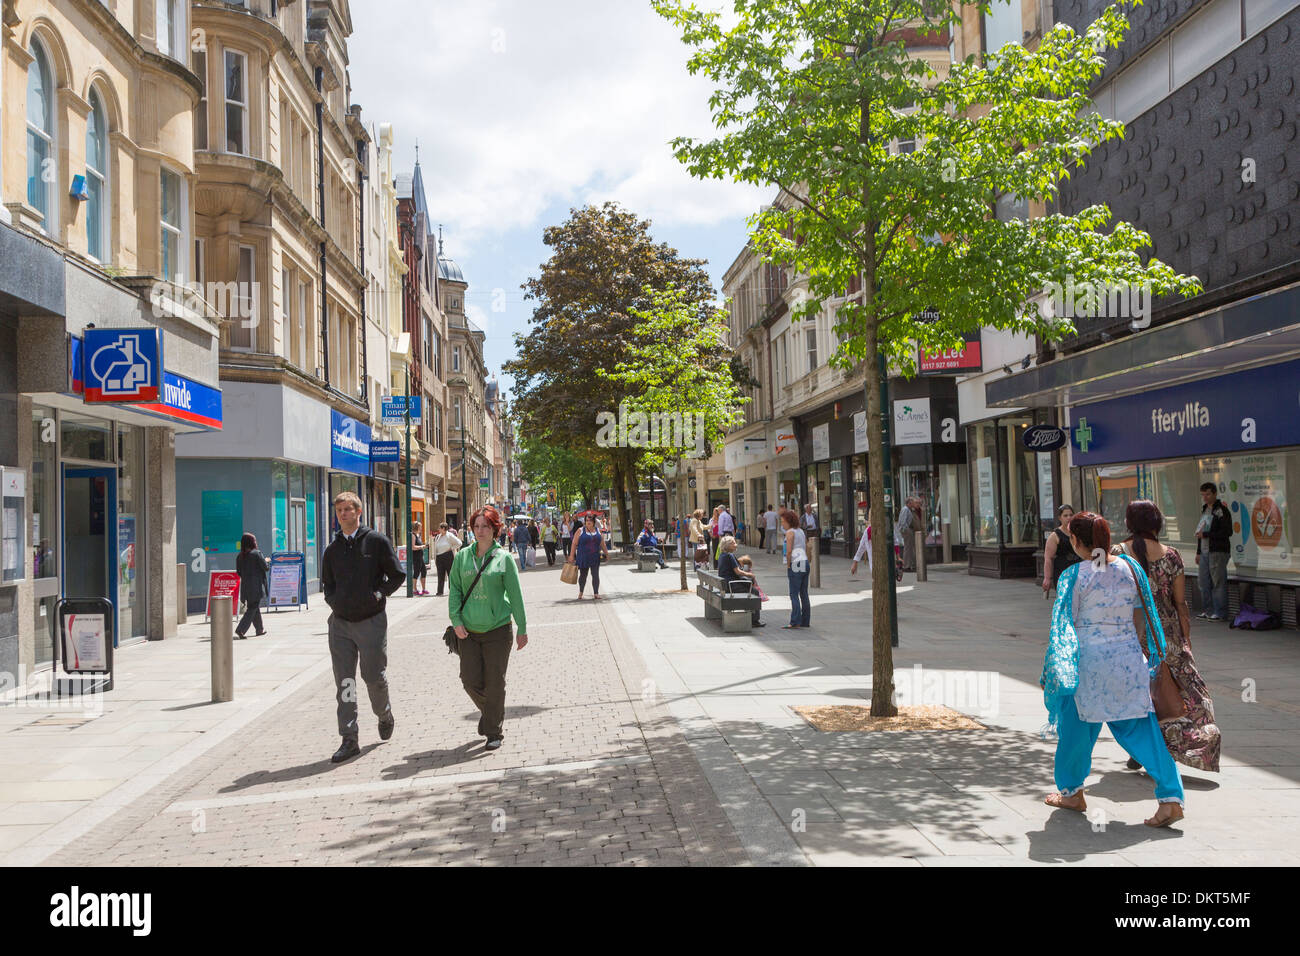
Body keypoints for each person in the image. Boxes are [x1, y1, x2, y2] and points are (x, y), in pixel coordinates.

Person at [1041, 511, 1186, 827]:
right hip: (1127, 660)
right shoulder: (1130, 568)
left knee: (1076, 731)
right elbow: (1143, 613)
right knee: (1142, 731)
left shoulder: (1074, 576)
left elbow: (1062, 627)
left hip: (1087, 664)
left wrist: (1054, 670)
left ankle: (1072, 792)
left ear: (1075, 541)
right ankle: (1171, 798)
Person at [1113, 500, 1221, 773]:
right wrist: (1186, 637)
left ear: (1129, 523)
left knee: (1141, 694)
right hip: (1168, 637)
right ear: (1157, 522)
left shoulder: (1118, 553)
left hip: (1131, 636)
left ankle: (1143, 748)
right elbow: (1180, 602)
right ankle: (1195, 742)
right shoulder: (1171, 555)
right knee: (1189, 692)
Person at [320, 491, 406, 763]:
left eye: (348, 509)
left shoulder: (377, 542)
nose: (343, 514)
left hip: (371, 621)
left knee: (373, 677)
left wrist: (378, 595)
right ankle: (349, 738)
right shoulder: (332, 549)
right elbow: (328, 585)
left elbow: (397, 575)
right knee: (345, 681)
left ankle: (384, 714)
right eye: (339, 510)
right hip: (341, 625)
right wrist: (335, 603)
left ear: (359, 512)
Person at [449, 506, 528, 751]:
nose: (480, 531)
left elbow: (515, 595)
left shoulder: (503, 558)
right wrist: (456, 620)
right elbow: (455, 590)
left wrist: (522, 627)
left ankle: (494, 731)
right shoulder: (462, 557)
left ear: (495, 529)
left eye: (485, 526)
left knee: (495, 683)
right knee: (469, 680)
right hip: (468, 631)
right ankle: (491, 714)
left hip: (498, 630)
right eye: (476, 526)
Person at [1195, 482, 1231, 621]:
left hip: (1217, 551)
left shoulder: (1221, 510)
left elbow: (1227, 531)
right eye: (1203, 495)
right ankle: (1208, 610)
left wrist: (1206, 534)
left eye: (1208, 494)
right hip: (1205, 551)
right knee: (1203, 582)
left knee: (1218, 582)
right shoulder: (1204, 509)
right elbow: (1200, 532)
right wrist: (1198, 552)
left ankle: (1220, 612)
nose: (1205, 497)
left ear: (1215, 494)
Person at [717, 536, 764, 628]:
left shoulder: (722, 555)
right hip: (731, 585)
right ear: (728, 545)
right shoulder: (729, 555)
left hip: (725, 585)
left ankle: (751, 616)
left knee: (750, 588)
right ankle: (754, 620)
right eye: (734, 543)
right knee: (754, 592)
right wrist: (750, 575)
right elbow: (738, 572)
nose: (736, 544)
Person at [1041, 504, 1082, 596]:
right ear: (1060, 518)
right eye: (1065, 515)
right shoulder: (1055, 536)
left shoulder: (1078, 532)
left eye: (1071, 515)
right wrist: (1047, 578)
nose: (1069, 518)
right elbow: (1048, 558)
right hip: (1062, 572)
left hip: (1079, 571)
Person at [234, 533, 269, 638]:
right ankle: (240, 629)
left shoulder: (240, 556)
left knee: (254, 607)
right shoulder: (257, 554)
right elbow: (265, 567)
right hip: (256, 586)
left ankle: (259, 629)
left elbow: (239, 572)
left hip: (245, 587)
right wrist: (267, 561)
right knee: (252, 608)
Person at [567, 514, 608, 599]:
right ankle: (581, 592)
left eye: (590, 520)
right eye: (587, 521)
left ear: (594, 522)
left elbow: (602, 544)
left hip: (595, 557)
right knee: (583, 575)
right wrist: (571, 556)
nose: (588, 522)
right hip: (583, 557)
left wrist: (606, 554)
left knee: (595, 575)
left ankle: (596, 593)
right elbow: (574, 543)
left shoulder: (598, 531)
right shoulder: (580, 530)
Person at [782, 509, 811, 629]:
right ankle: (805, 620)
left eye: (783, 521)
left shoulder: (790, 532)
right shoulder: (801, 531)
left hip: (795, 563)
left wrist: (789, 565)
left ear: (789, 521)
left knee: (794, 593)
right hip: (804, 561)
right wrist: (808, 560)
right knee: (804, 593)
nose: (782, 524)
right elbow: (808, 546)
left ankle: (795, 621)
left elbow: (789, 551)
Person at [432, 522, 461, 596]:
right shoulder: (438, 536)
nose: (438, 529)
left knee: (450, 574)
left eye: (440, 528)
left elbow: (459, 543)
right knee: (440, 574)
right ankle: (440, 591)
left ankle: (452, 590)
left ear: (444, 529)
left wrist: (451, 548)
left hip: (448, 556)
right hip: (439, 557)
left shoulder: (449, 535)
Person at [897, 497, 917, 572]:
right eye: (913, 502)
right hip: (906, 530)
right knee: (908, 548)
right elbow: (903, 522)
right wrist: (906, 530)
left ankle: (908, 565)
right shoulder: (905, 509)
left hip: (906, 530)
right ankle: (906, 566)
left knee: (909, 547)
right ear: (909, 503)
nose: (914, 503)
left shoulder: (908, 509)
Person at [410, 521, 429, 596]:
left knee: (424, 571)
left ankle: (423, 589)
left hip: (420, 557)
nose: (421, 528)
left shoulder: (418, 535)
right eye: (420, 527)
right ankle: (414, 589)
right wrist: (422, 546)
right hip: (416, 557)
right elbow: (413, 547)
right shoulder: (413, 535)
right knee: (416, 572)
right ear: (416, 527)